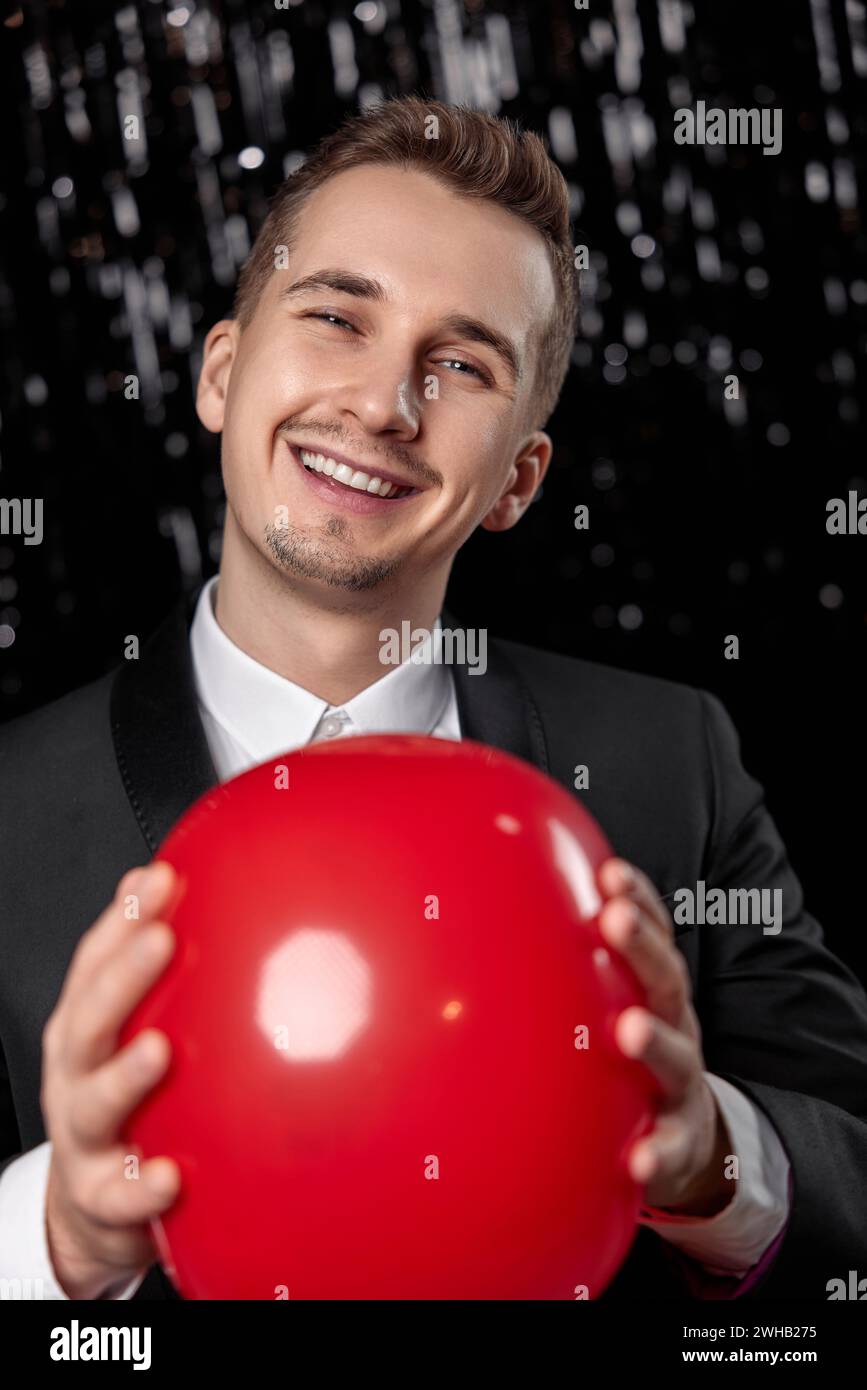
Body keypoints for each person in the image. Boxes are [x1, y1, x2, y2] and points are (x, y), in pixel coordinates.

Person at [1, 97, 865, 1303]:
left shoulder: (674, 757)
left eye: (460, 363)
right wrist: (55, 1242)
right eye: (336, 317)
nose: (381, 405)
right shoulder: (4, 805)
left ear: (518, 478)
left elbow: (852, 1177)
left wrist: (716, 1158)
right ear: (222, 370)